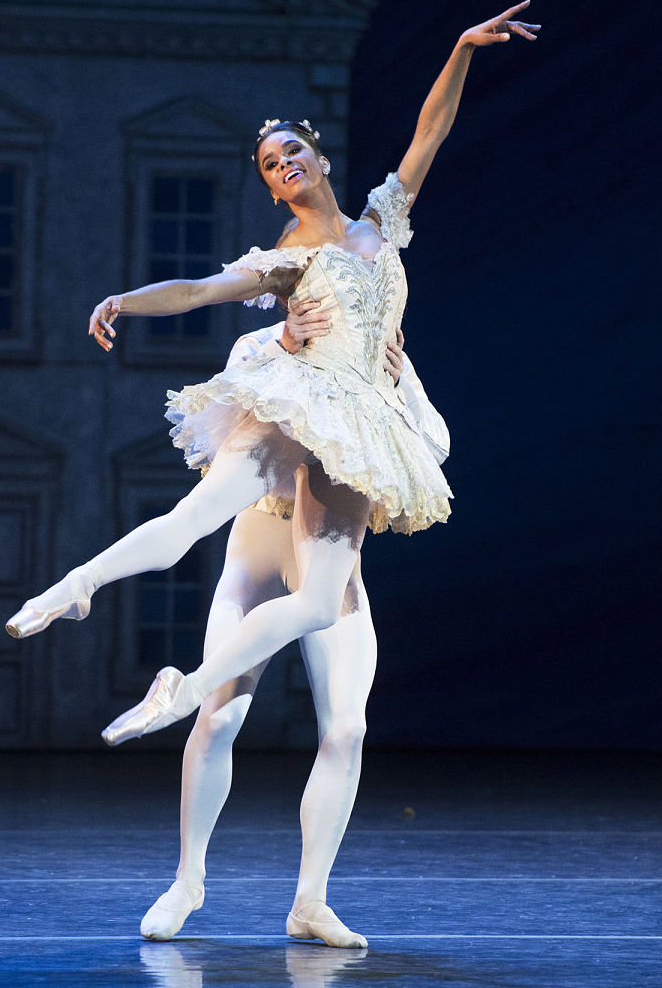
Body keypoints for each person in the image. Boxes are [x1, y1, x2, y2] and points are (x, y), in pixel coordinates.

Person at [7, 2, 538, 750]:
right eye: (269, 165)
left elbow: (430, 133)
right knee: (195, 520)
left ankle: (179, 684)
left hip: (363, 418)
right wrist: (124, 300)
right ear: (273, 189)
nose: (284, 164)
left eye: (292, 152)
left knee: (320, 605)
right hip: (305, 404)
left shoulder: (380, 225)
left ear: (319, 160)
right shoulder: (285, 258)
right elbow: (196, 291)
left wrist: (459, 47)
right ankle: (78, 587)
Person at [139, 311, 448, 949]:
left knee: (347, 727)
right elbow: (229, 422)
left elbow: (436, 444)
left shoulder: (381, 361)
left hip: (332, 565)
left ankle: (311, 901)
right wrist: (282, 347)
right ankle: (187, 881)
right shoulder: (260, 344)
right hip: (257, 551)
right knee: (219, 716)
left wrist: (394, 391)